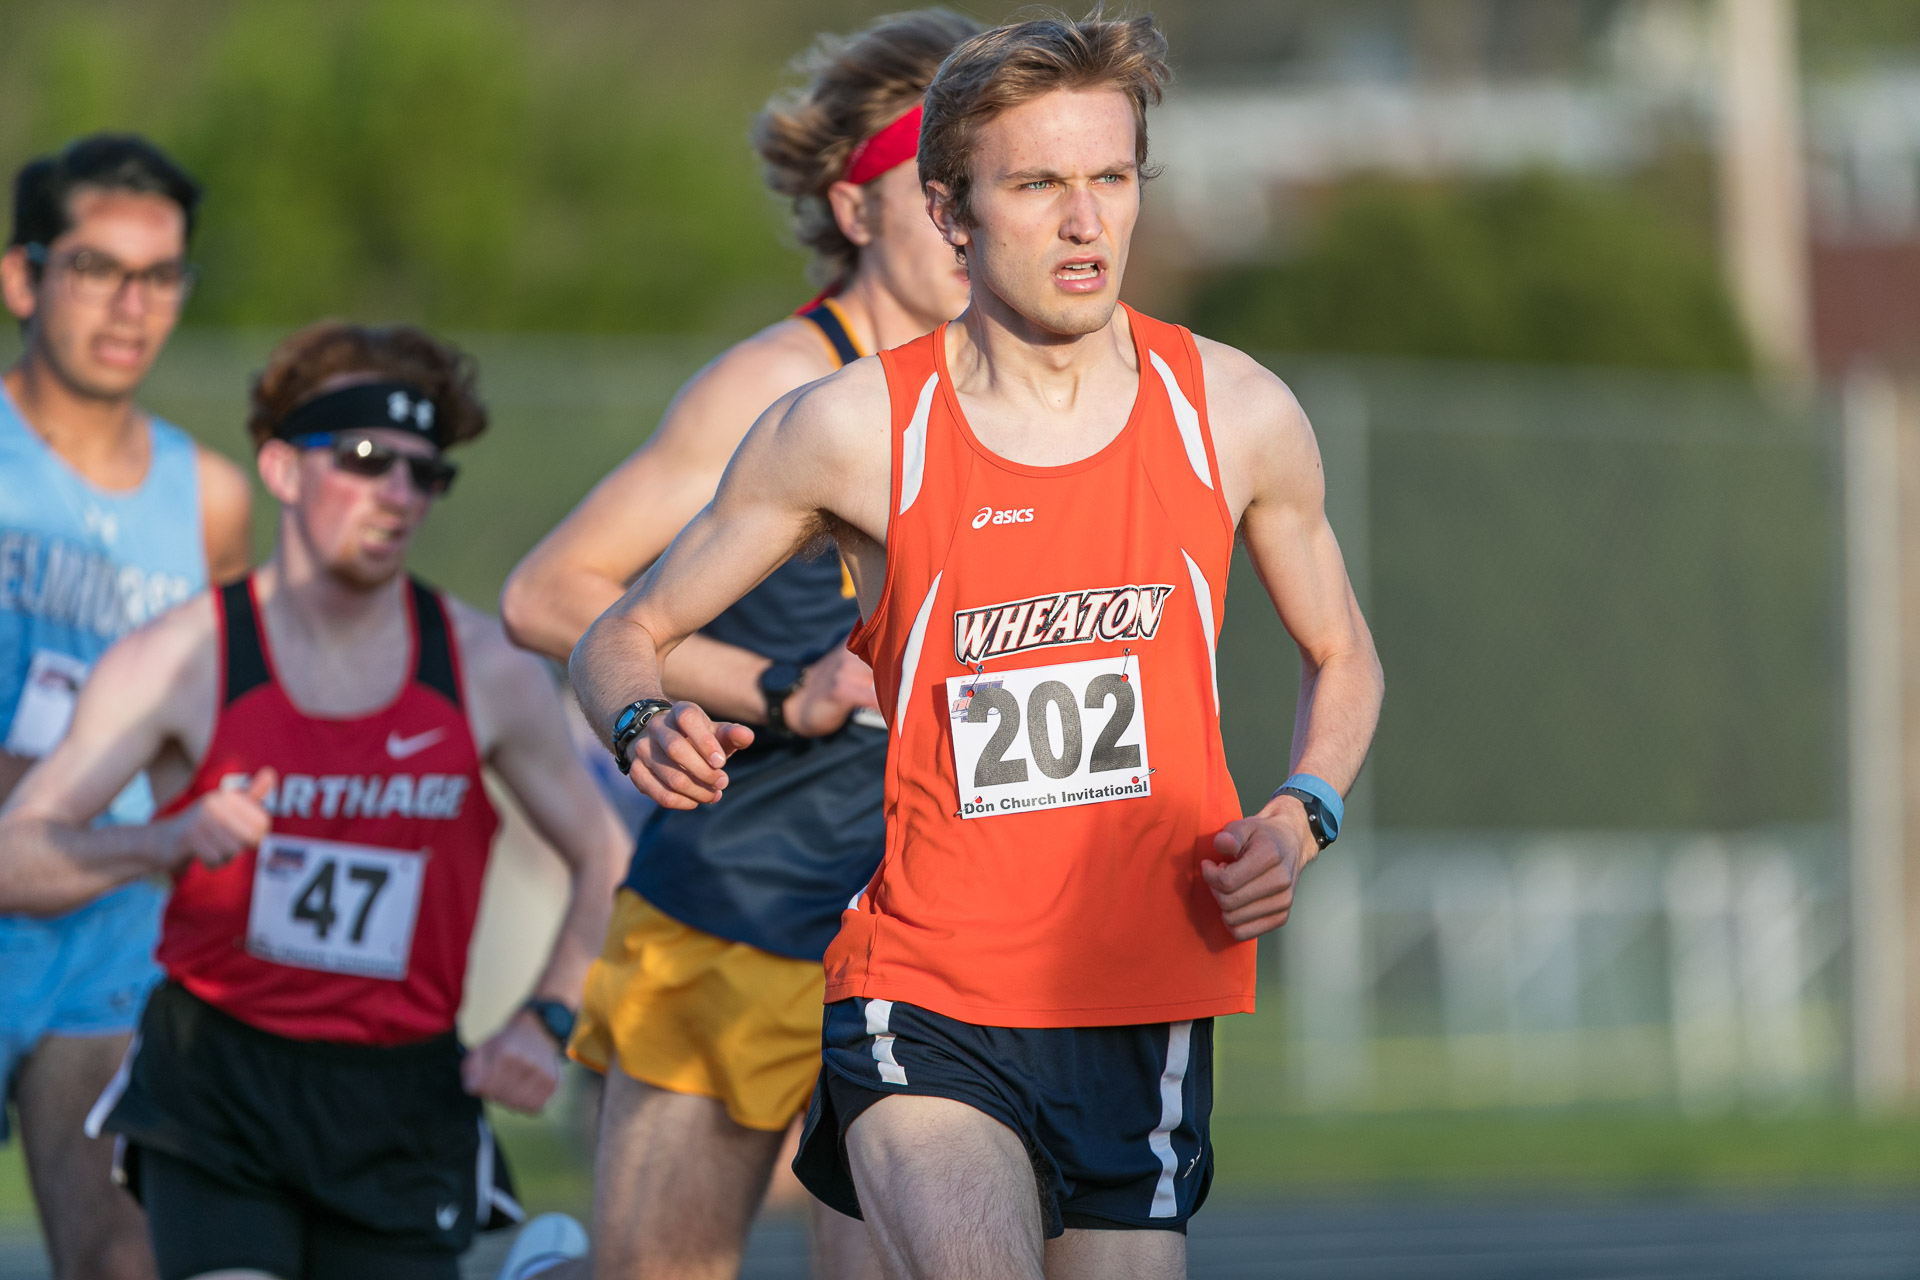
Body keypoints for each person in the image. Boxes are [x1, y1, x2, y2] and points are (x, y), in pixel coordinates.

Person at [570, 12, 1386, 1280]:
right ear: (950, 213)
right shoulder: (846, 428)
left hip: (1144, 995)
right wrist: (640, 715)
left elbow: (1344, 654)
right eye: (1038, 184)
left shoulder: (1234, 410)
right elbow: (622, 628)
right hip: (925, 989)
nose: (1084, 221)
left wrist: (1300, 814)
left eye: (1111, 178)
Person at [496, 10, 976, 1279]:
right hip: (746, 896)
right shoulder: (771, 384)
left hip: (939, 924)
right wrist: (779, 686)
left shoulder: (1030, 388)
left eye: (977, 173)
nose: (957, 206)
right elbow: (554, 592)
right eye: (924, 181)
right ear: (855, 208)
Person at [0, 321, 627, 1280]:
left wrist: (544, 1017)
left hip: (403, 1096)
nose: (399, 495)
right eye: (368, 458)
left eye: (426, 474)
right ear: (283, 469)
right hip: (217, 1081)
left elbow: (604, 857)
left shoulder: (481, 667)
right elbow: (17, 856)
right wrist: (161, 840)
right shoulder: (181, 656)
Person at [0, 133, 251, 1280]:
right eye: (97, 268)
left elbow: (223, 718)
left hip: (106, 914)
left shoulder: (206, 495)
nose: (130, 304)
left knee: (120, 1253)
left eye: (159, 276)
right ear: (24, 276)